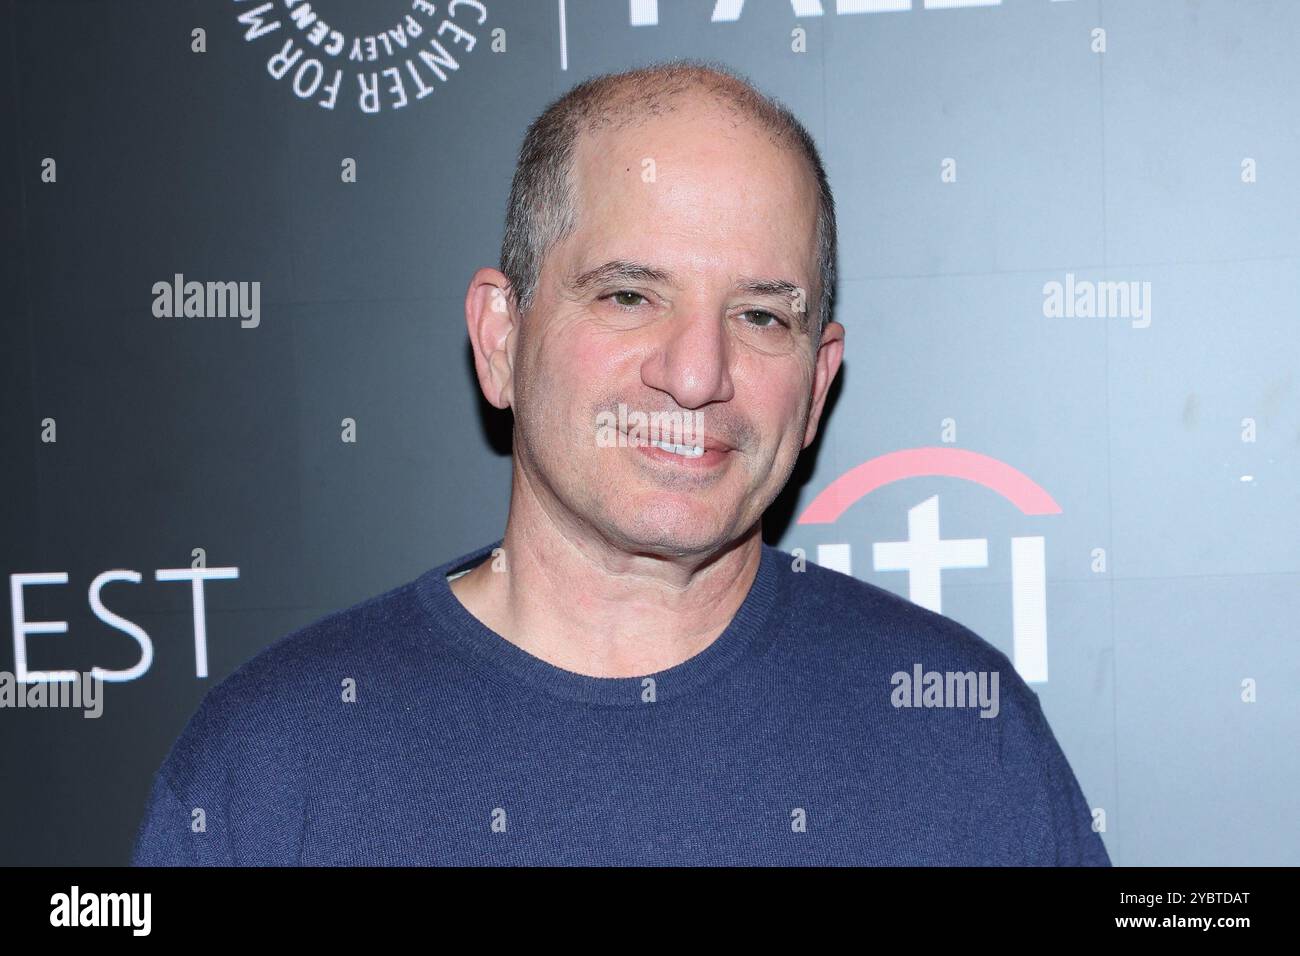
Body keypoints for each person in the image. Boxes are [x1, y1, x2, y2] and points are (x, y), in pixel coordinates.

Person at [131, 59, 1110, 866]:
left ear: (816, 383)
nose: (696, 373)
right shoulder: (273, 763)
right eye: (630, 295)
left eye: (761, 315)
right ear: (500, 337)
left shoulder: (960, 734)